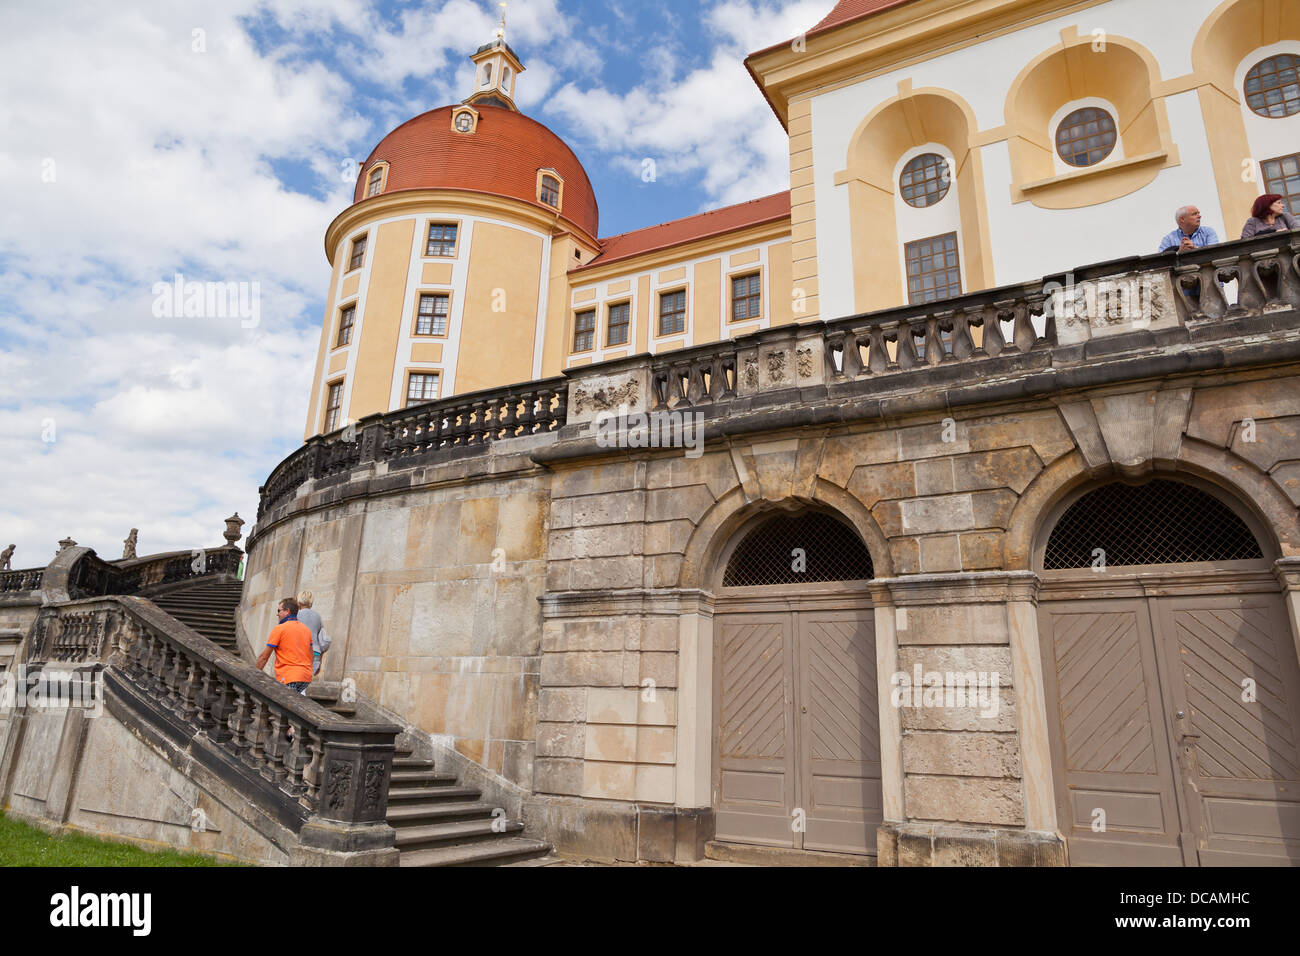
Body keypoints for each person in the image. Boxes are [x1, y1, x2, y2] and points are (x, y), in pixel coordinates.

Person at [257, 597, 313, 695]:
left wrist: (254, 674)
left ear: (287, 611)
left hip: (289, 676)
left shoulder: (280, 629)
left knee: (282, 707)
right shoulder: (306, 630)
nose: (277, 614)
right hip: (306, 677)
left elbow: (264, 657)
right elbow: (311, 654)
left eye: (279, 610)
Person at [296, 590, 327, 677]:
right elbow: (322, 640)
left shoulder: (296, 615)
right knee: (304, 683)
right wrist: (319, 660)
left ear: (298, 601)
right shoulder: (318, 616)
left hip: (300, 653)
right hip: (316, 654)